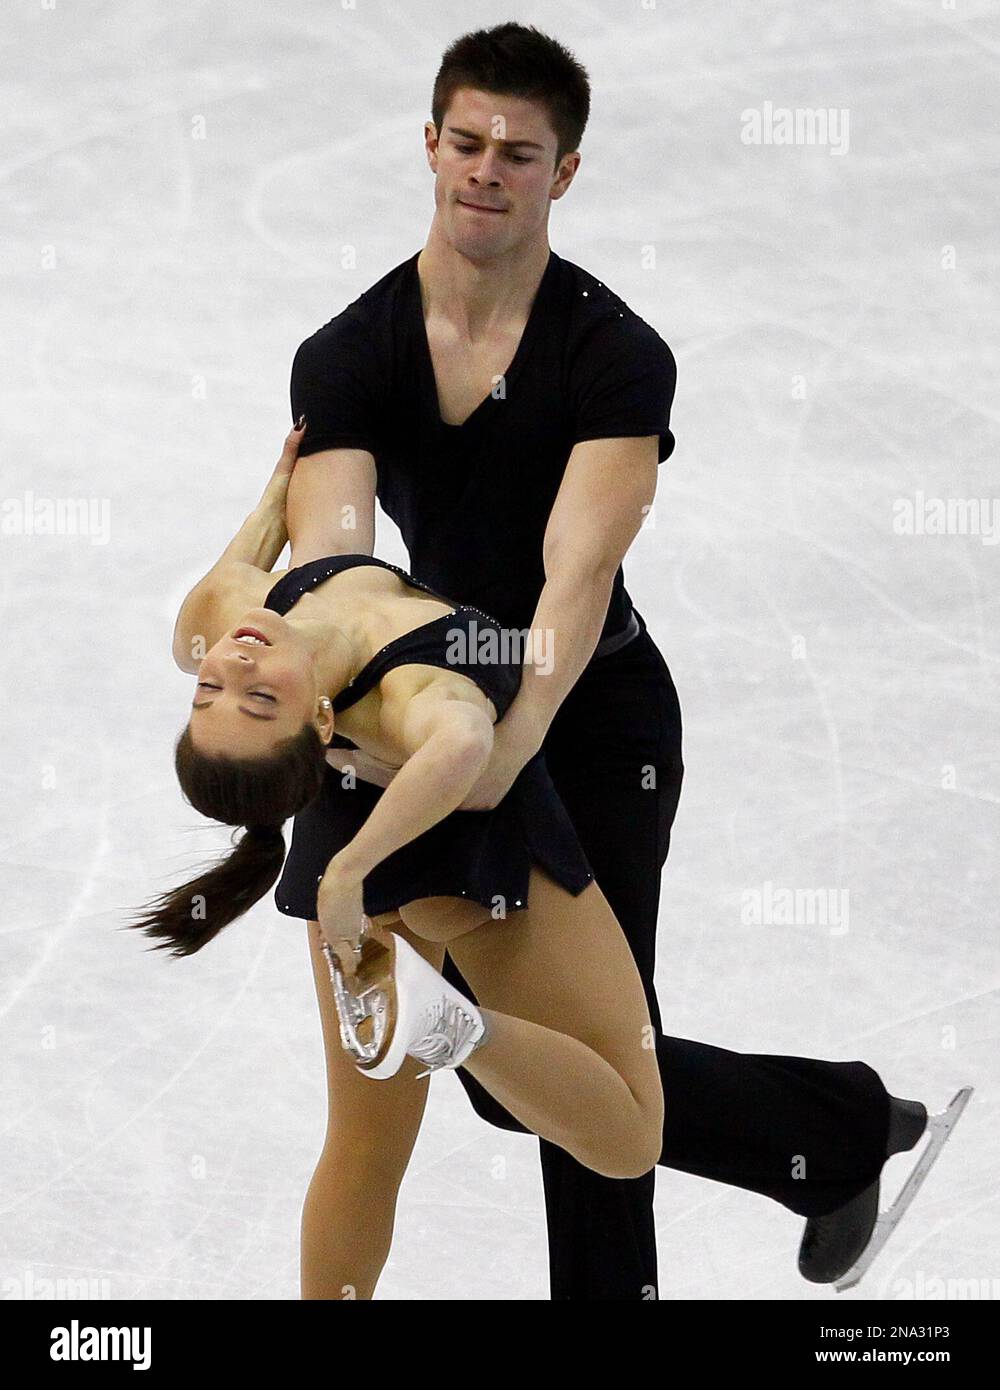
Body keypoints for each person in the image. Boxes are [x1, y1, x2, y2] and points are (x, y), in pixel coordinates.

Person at [270, 22, 941, 1299]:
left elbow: (573, 582)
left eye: (518, 153)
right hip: (423, 716)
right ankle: (834, 1130)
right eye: (465, 142)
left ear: (562, 174)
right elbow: (337, 560)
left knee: (588, 1059)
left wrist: (511, 745)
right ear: (428, 145)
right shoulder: (347, 354)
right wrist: (350, 693)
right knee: (513, 1088)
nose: (485, 169)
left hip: (591, 721)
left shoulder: (613, 355)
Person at [129, 436, 667, 1228]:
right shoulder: (414, 688)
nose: (234, 668)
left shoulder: (236, 619)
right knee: (629, 1137)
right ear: (319, 723)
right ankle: (460, 1028)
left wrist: (270, 501)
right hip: (466, 850)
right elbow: (466, 748)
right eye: (257, 702)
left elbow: (191, 638)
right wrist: (347, 874)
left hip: (351, 844)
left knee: (364, 1147)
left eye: (213, 692)